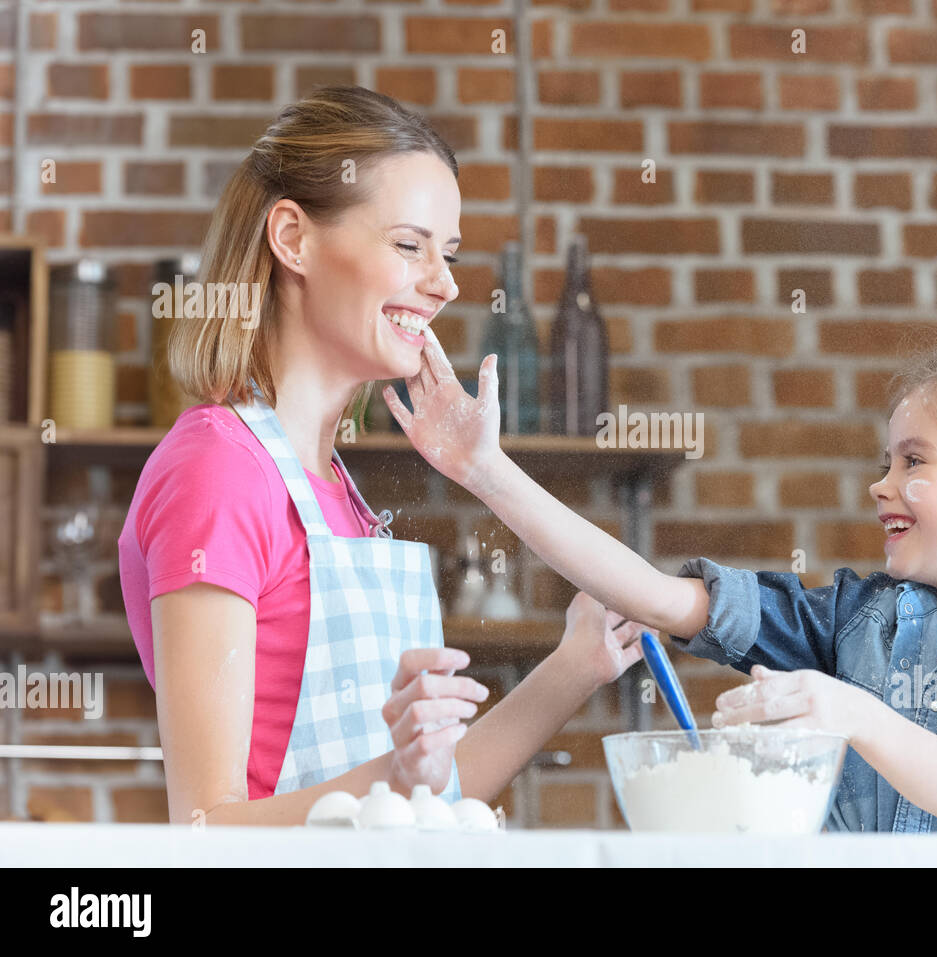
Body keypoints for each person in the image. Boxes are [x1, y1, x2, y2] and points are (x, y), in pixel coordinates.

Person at [117, 86, 647, 826]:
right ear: (293, 239)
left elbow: (426, 789)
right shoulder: (220, 470)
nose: (446, 283)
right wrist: (399, 775)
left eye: (449, 252)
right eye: (410, 245)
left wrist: (576, 662)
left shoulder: (334, 488)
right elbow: (206, 828)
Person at [385, 326, 937, 832]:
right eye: (886, 461)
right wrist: (487, 472)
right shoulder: (860, 618)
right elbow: (653, 594)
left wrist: (849, 710)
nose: (881, 484)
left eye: (913, 462)